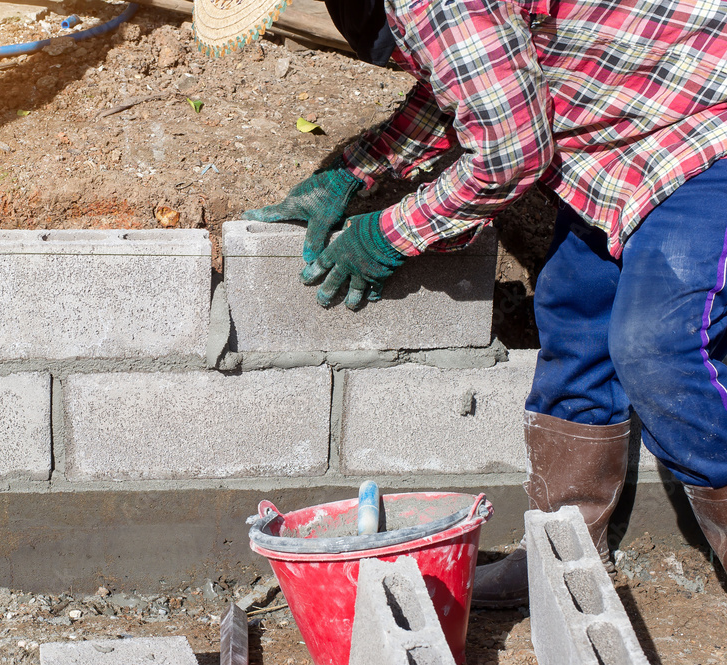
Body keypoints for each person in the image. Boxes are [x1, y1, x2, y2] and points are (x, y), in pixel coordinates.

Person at [236, 0, 727, 605]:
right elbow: (480, 78)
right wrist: (355, 172)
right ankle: (562, 553)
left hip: (707, 131)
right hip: (623, 140)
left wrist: (387, 234)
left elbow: (508, 154)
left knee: (663, 347)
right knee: (576, 328)